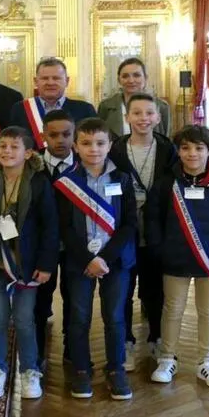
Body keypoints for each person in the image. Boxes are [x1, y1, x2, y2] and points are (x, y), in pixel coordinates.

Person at [145, 125, 209, 387]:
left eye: (199, 148)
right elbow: (153, 217)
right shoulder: (167, 182)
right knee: (172, 308)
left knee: (208, 310)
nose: (192, 154)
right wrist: (158, 247)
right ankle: (167, 358)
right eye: (185, 148)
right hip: (174, 257)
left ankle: (207, 362)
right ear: (178, 151)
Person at [0, 127, 57, 399]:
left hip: (26, 264)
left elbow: (49, 226)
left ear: (28, 153)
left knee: (25, 319)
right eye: (2, 146)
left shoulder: (39, 182)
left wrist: (46, 263)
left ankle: (29, 370)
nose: (6, 151)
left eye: (14, 147)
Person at [55, 118, 136, 400]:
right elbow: (64, 226)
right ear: (76, 146)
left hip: (115, 260)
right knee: (79, 316)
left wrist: (106, 257)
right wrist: (87, 258)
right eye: (86, 143)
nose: (94, 149)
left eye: (100, 143)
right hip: (79, 261)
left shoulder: (122, 179)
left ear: (110, 145)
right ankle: (81, 368)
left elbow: (129, 223)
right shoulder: (66, 182)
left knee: (115, 316)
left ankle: (116, 368)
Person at [108, 92, 176, 370]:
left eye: (149, 113)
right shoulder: (114, 150)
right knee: (123, 290)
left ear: (158, 117)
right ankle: (125, 341)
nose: (143, 118)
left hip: (158, 230)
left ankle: (157, 338)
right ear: (127, 117)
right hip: (125, 229)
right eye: (137, 113)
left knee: (155, 290)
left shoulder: (168, 149)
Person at [34, 109, 76, 370]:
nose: (60, 140)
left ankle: (72, 350)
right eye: (54, 135)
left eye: (66, 134)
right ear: (43, 136)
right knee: (40, 301)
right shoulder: (32, 165)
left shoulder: (85, 163)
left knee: (74, 299)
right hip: (41, 246)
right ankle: (37, 353)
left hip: (75, 246)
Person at [9, 58, 97, 146]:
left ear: (67, 81)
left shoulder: (85, 110)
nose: (50, 83)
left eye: (56, 78)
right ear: (36, 81)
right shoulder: (20, 109)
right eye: (44, 78)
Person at [97, 57, 171, 139]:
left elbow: (166, 140)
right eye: (125, 76)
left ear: (145, 78)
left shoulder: (161, 106)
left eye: (136, 75)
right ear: (119, 80)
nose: (131, 80)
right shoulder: (105, 106)